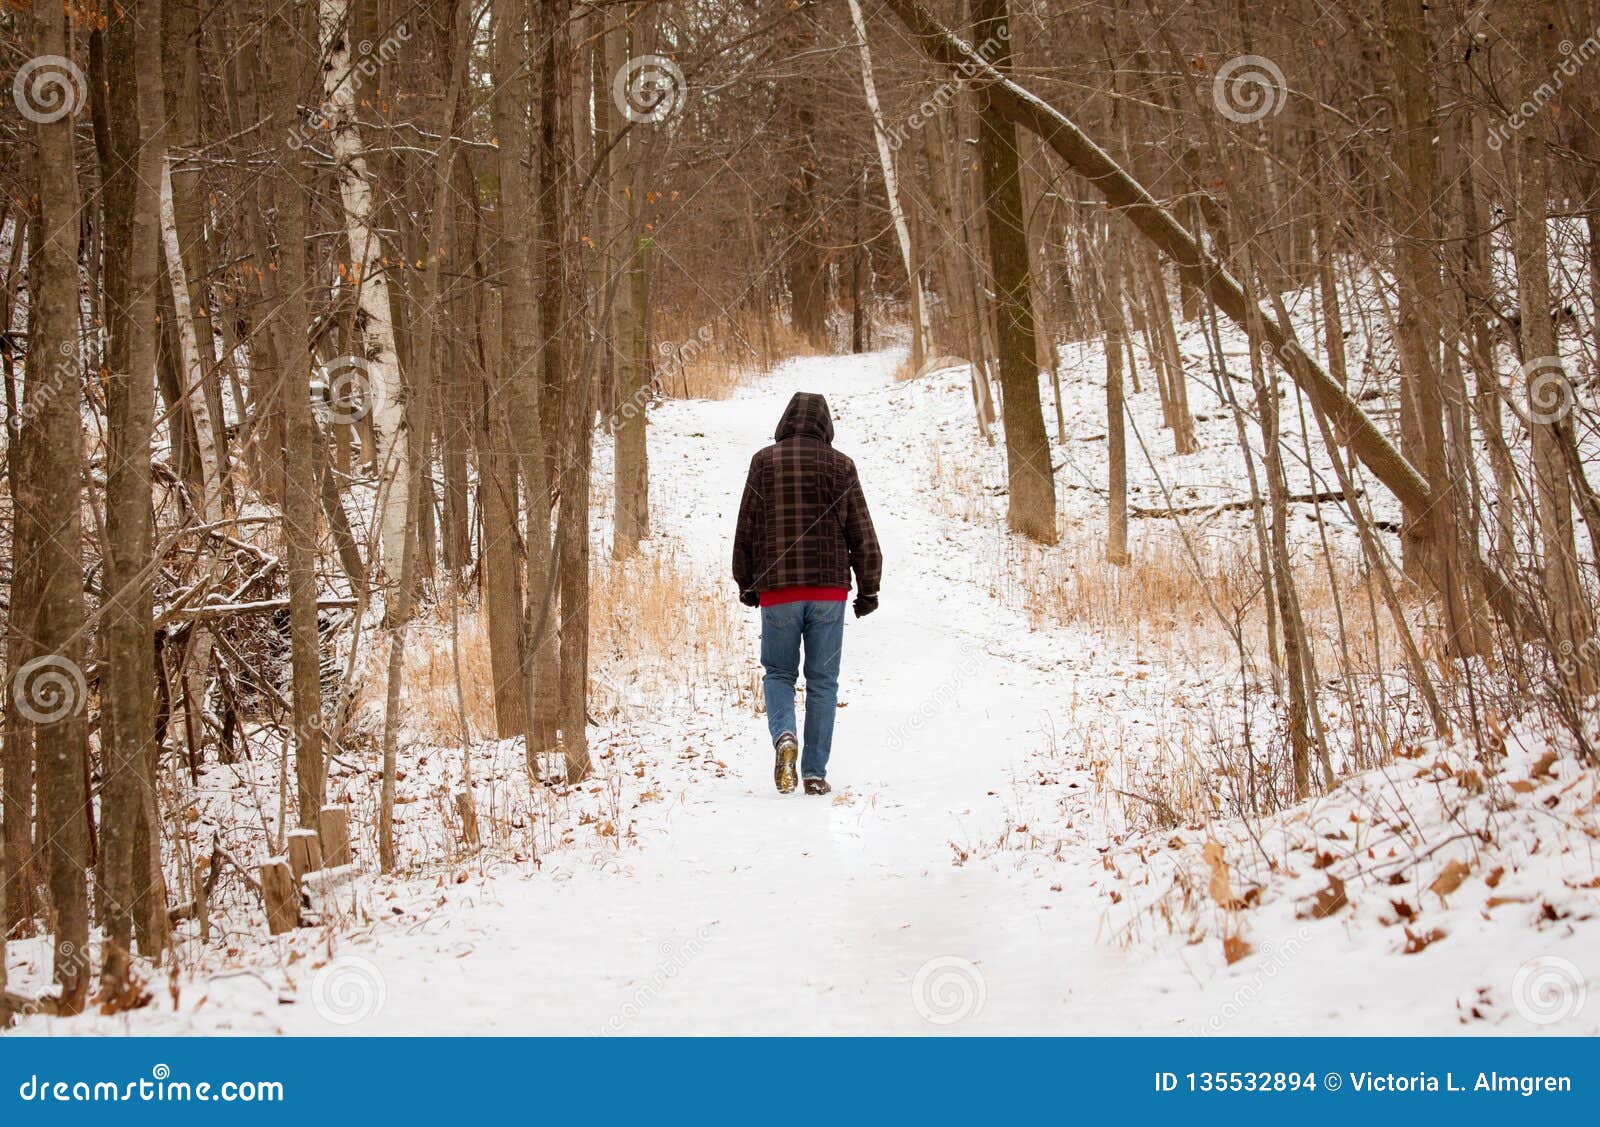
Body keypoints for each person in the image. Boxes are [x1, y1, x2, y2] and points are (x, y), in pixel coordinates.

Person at [732, 392, 882, 796]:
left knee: (779, 673)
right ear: (825, 426)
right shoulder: (842, 466)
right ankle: (814, 773)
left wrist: (746, 582)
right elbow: (862, 534)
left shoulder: (764, 463)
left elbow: (747, 525)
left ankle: (784, 737)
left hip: (778, 590)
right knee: (823, 681)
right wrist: (868, 590)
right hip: (829, 591)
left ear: (785, 422)